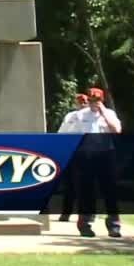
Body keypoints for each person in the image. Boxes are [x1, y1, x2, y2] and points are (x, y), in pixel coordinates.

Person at [73, 87, 123, 238]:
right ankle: (85, 225)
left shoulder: (109, 114)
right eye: (92, 100)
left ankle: (114, 225)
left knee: (110, 191)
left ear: (102, 100)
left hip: (106, 154)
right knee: (87, 191)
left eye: (97, 100)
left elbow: (117, 130)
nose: (94, 103)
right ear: (88, 99)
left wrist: (103, 112)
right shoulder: (80, 115)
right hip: (86, 155)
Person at [55, 93, 89, 221]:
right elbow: (61, 133)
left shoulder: (91, 116)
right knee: (69, 185)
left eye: (84, 101)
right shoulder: (70, 116)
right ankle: (66, 213)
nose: (82, 104)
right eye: (80, 102)